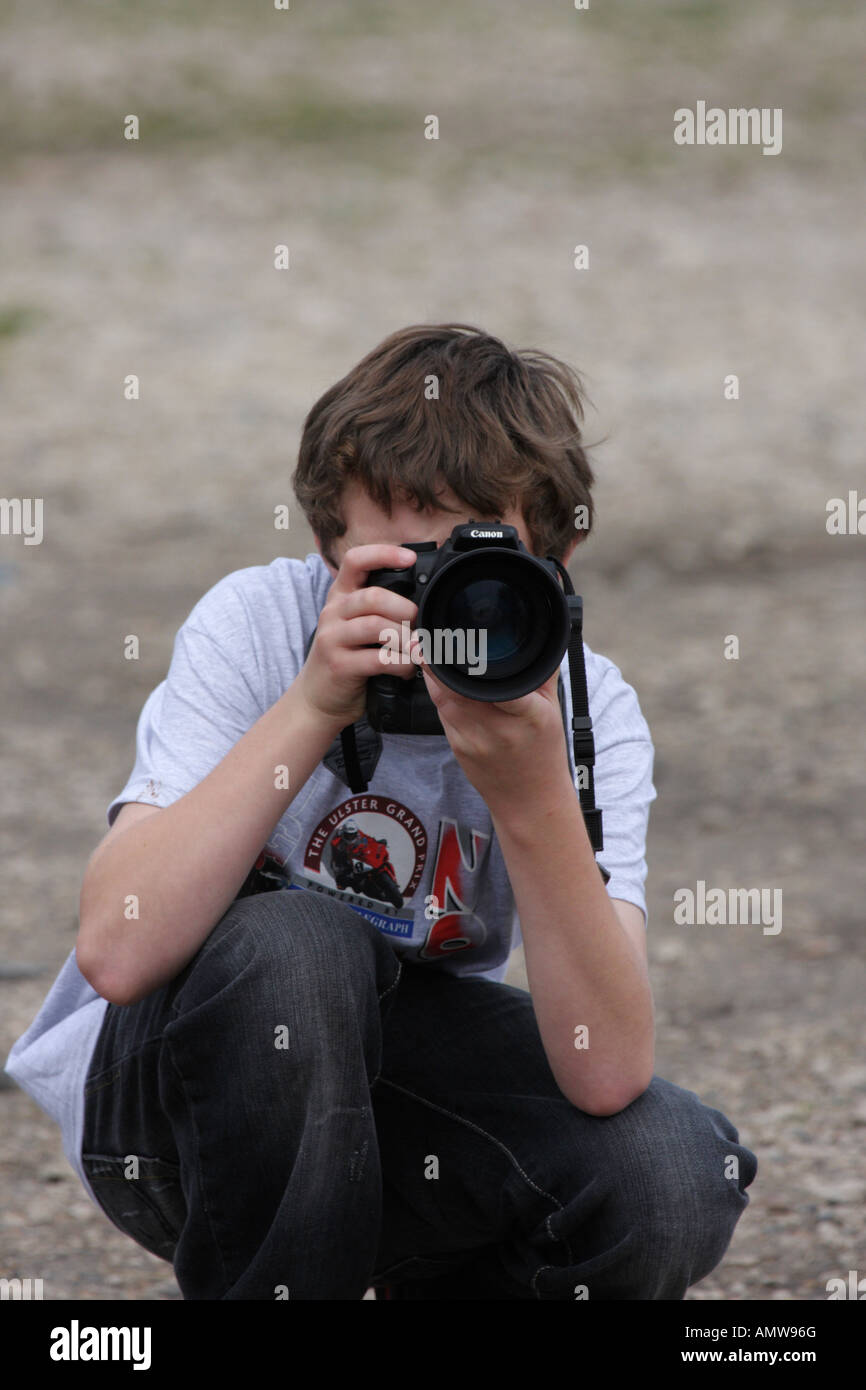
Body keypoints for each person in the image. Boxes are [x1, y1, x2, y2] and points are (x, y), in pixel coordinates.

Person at [4, 323, 757, 1300]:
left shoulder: (577, 707)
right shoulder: (262, 623)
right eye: (407, 567)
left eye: (480, 570)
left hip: (390, 1104)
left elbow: (603, 1072)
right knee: (299, 948)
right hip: (171, 1108)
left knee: (672, 1172)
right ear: (327, 543)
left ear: (556, 561)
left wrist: (531, 803)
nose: (445, 606)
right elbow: (117, 948)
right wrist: (313, 704)